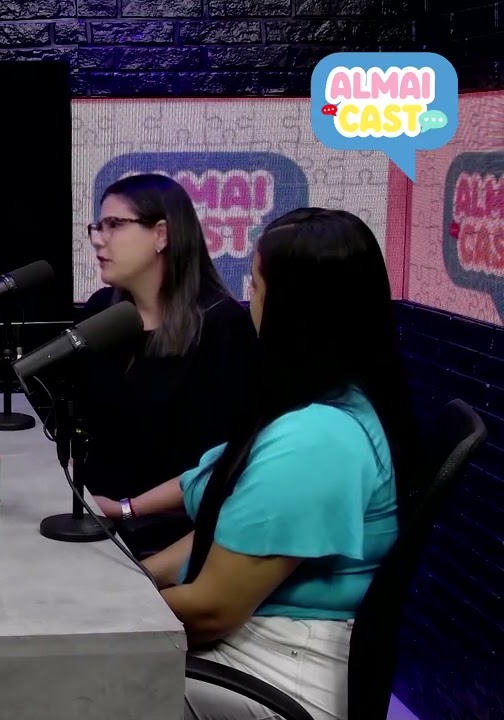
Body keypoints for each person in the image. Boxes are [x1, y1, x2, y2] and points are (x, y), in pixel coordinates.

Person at [143, 208, 419, 720]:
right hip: (262, 647)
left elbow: (211, 610)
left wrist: (98, 615)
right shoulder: (332, 403)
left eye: (254, 281)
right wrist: (137, 576)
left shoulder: (317, 440)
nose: (248, 297)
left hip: (275, 672)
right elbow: (223, 531)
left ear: (293, 306)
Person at [74, 173, 257, 552]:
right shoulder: (100, 311)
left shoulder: (221, 326)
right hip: (88, 518)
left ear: (161, 234)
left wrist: (126, 510)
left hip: (170, 533)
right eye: (97, 226)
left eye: (114, 225)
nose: (97, 239)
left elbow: (221, 463)